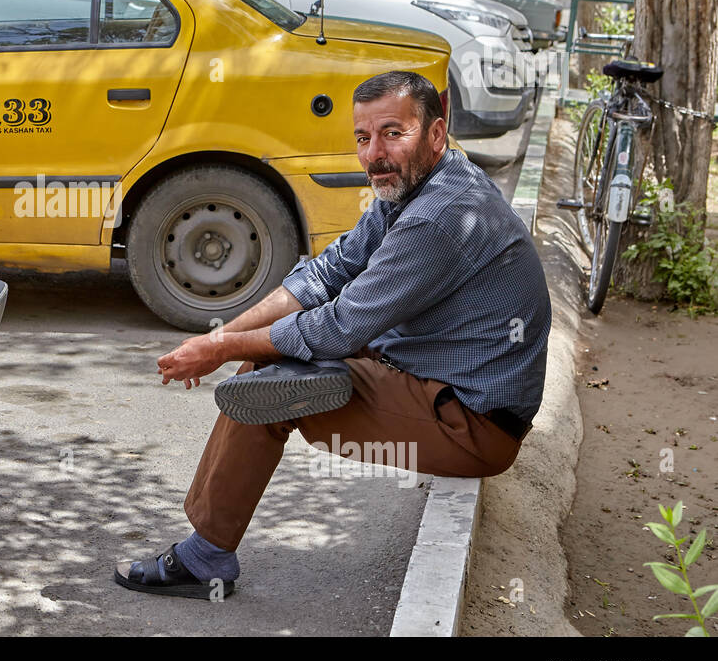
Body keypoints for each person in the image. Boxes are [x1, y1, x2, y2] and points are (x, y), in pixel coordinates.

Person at [115, 70, 551, 599]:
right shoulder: (417, 186)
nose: (375, 154)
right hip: (433, 378)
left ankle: (206, 555)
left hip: (473, 426)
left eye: (393, 132)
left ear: (436, 134)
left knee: (270, 383)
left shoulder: (442, 215)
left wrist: (221, 348)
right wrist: (218, 338)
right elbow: (324, 274)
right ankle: (208, 549)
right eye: (363, 138)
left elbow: (338, 327)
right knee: (268, 358)